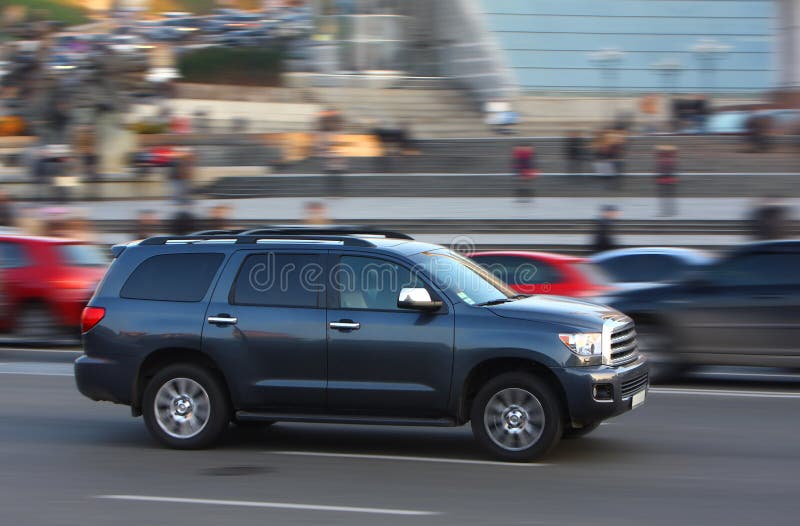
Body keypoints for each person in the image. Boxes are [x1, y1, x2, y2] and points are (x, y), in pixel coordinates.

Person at [655, 145, 679, 216]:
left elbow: (661, 170)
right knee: (669, 197)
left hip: (664, 180)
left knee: (664, 197)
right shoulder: (671, 159)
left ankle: (665, 212)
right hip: (670, 180)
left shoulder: (662, 160)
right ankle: (670, 211)